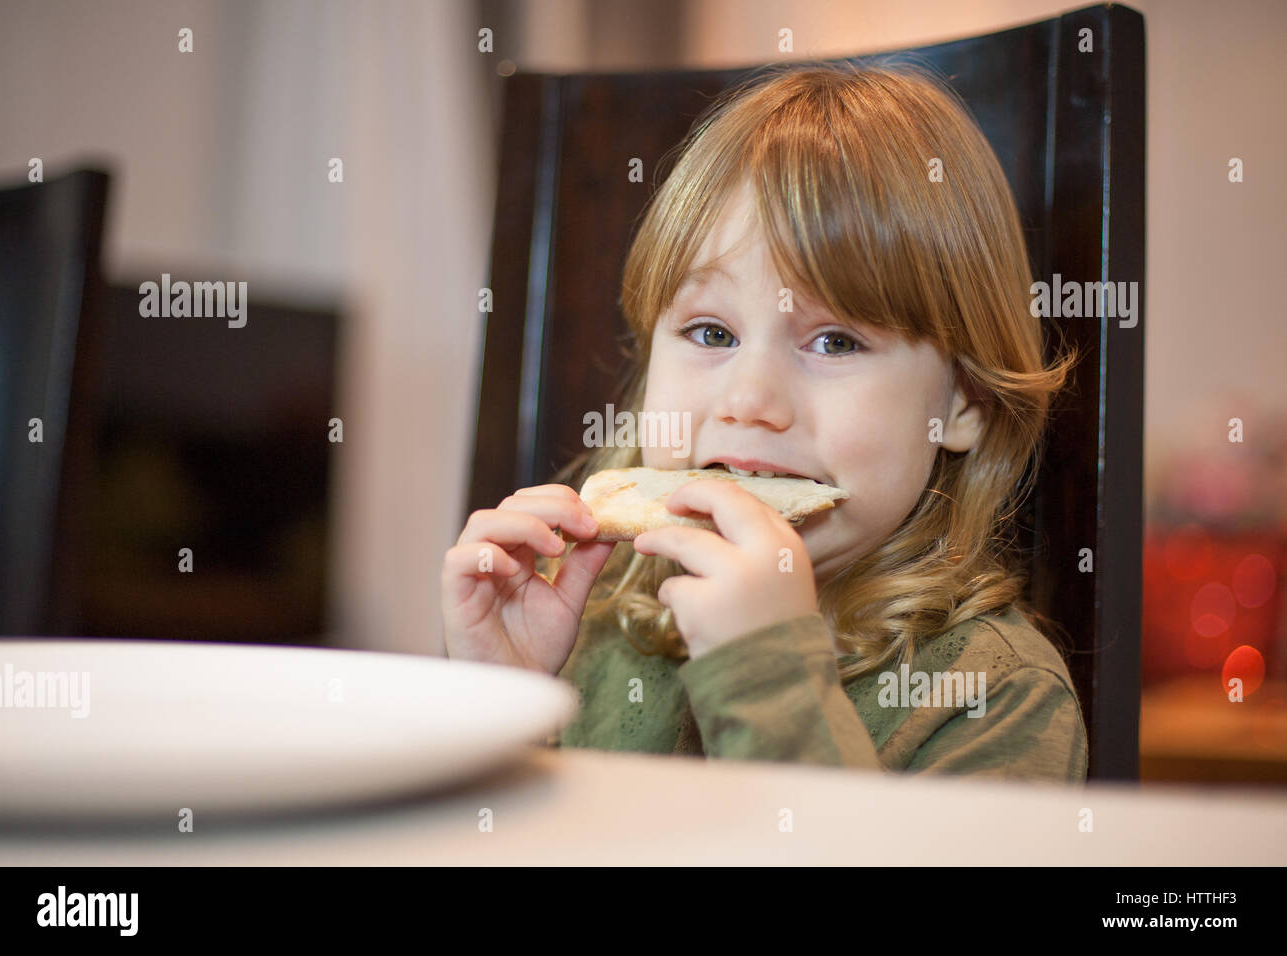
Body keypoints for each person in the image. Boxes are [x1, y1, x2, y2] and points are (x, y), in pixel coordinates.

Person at [442, 60, 1087, 782]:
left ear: (962, 402)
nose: (749, 400)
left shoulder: (997, 698)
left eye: (835, 341)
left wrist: (770, 682)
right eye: (712, 333)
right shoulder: (593, 627)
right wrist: (504, 708)